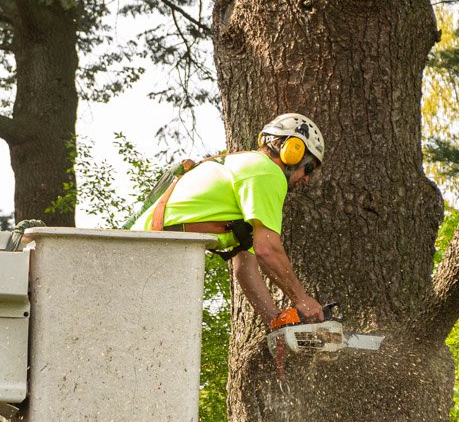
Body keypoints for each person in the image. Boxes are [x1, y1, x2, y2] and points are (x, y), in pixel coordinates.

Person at [132, 113, 326, 327]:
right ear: (292, 151)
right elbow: (267, 249)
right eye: (308, 168)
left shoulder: (248, 168)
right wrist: (301, 299)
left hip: (150, 249)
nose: (307, 179)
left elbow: (245, 265)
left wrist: (274, 322)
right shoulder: (267, 173)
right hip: (149, 251)